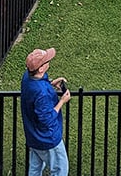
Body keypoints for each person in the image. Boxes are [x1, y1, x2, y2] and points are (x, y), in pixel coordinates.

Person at [20, 47, 71, 176]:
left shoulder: (27, 78)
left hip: (33, 136)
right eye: (47, 61)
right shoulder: (41, 93)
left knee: (35, 170)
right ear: (41, 68)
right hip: (48, 138)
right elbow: (47, 118)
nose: (49, 61)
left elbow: (38, 85)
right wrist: (62, 101)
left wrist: (50, 83)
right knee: (60, 170)